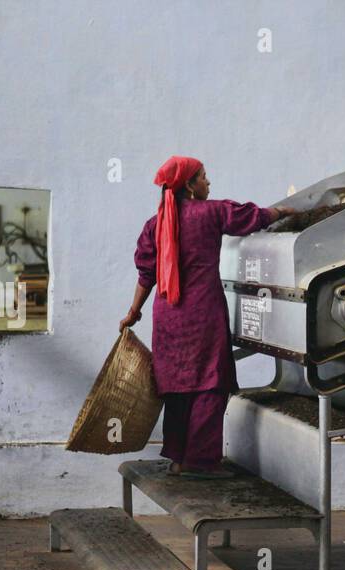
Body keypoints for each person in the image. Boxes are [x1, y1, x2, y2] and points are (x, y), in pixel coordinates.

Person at [121, 156, 291, 478]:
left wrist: (133, 312)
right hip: (203, 314)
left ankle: (178, 459)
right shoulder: (212, 212)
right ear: (189, 184)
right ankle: (201, 462)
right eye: (203, 177)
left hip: (168, 317)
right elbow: (251, 217)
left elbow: (147, 274)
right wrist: (282, 212)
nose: (208, 183)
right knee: (210, 383)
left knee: (177, 385)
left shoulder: (155, 224)